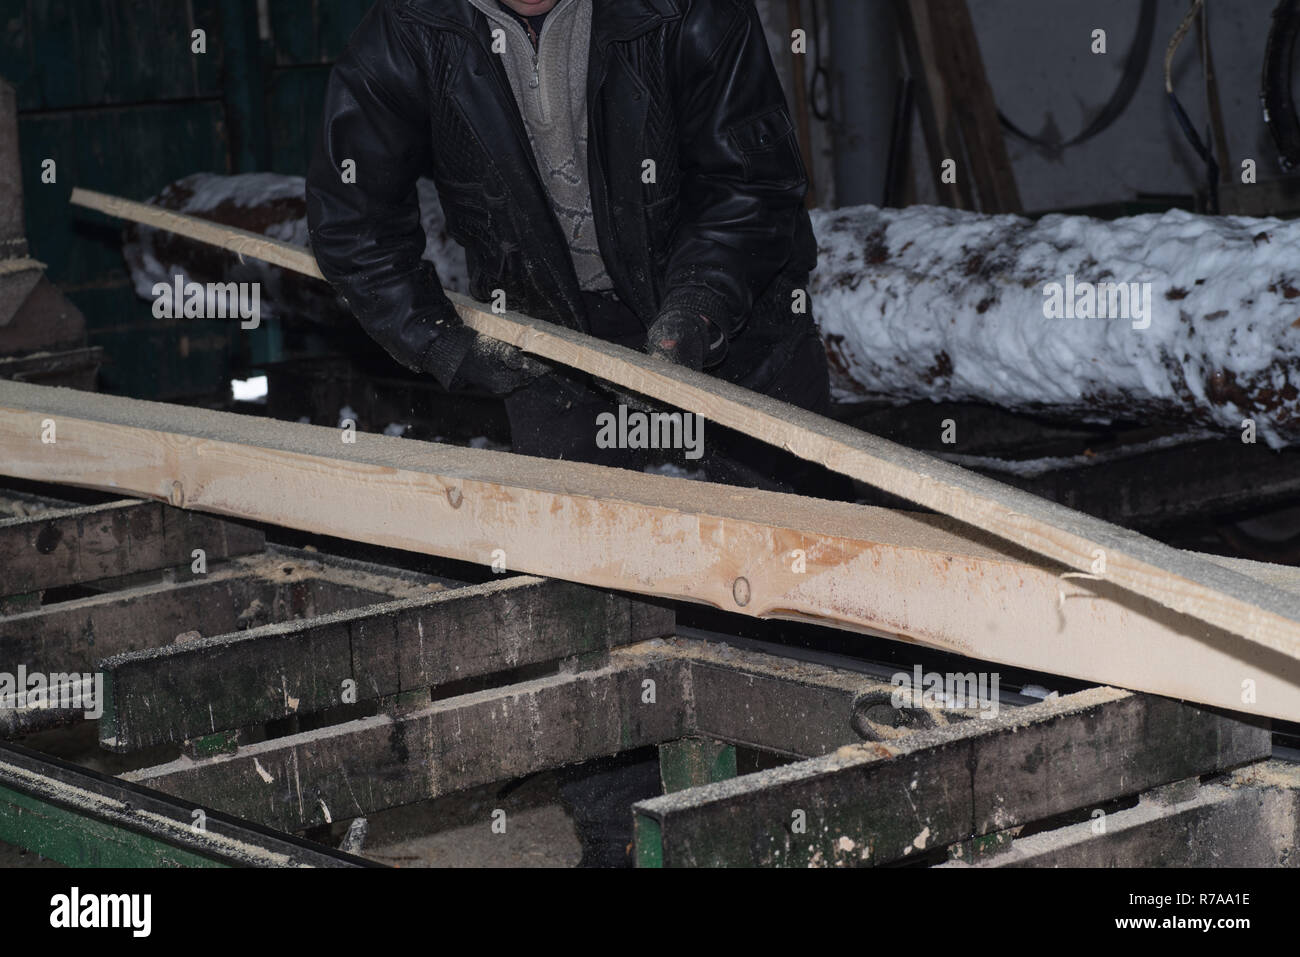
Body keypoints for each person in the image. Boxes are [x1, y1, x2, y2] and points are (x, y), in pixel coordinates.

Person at [306, 0, 850, 498]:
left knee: (798, 546)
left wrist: (699, 306)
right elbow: (353, 218)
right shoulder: (410, 26)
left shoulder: (684, 7)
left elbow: (751, 183)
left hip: (733, 309)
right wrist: (441, 341)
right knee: (577, 570)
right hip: (550, 338)